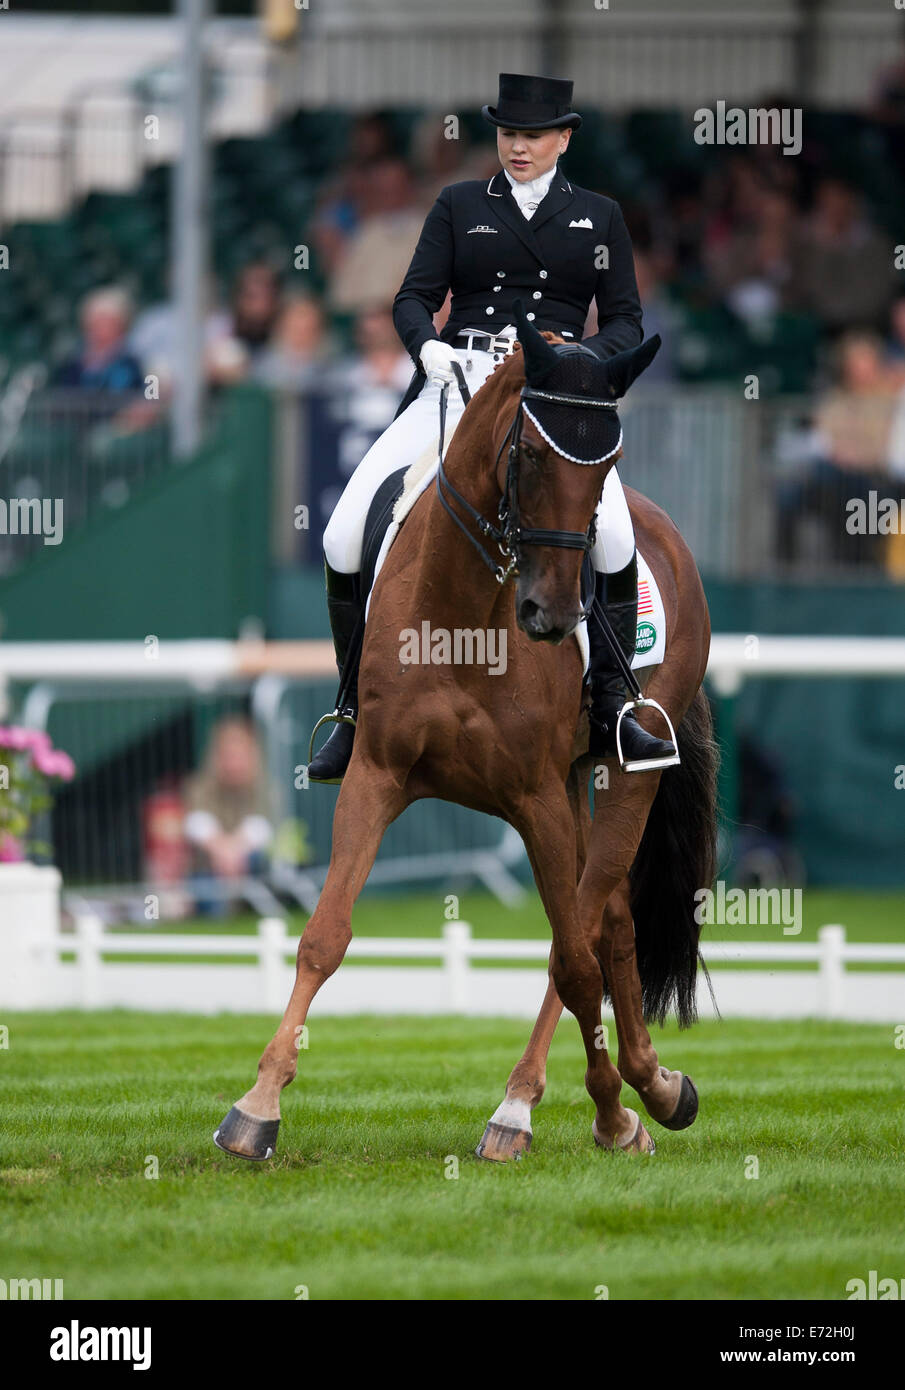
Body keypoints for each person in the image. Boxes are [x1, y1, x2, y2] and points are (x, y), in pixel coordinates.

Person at [308, 72, 676, 782]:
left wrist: (575, 360)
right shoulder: (458, 205)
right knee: (343, 530)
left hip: (550, 399)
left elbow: (626, 320)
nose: (518, 147)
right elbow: (413, 298)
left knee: (617, 535)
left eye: (532, 135)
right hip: (456, 387)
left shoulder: (597, 217)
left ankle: (613, 705)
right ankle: (353, 710)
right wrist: (429, 348)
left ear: (562, 139)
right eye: (508, 134)